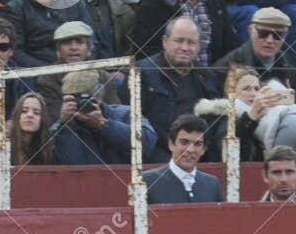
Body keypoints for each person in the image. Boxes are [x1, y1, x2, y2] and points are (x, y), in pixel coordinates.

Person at [140, 15, 222, 160]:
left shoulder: (207, 76)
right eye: (179, 41)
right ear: (165, 42)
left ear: (199, 46)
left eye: (191, 42)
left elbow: (214, 123)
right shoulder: (142, 73)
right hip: (154, 155)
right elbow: (135, 122)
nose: (184, 48)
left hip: (198, 154)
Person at [50, 67, 151, 163]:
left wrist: (104, 125)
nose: (82, 102)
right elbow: (67, 163)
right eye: (76, 97)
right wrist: (65, 127)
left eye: (86, 96)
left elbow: (147, 143)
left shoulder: (124, 114)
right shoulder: (60, 127)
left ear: (99, 94)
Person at [213, 3, 296, 86]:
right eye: (263, 33)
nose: (270, 40)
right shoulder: (226, 68)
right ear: (250, 31)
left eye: (278, 35)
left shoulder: (288, 63)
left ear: (285, 36)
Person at [145, 113, 223, 200]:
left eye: (197, 144)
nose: (190, 150)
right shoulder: (148, 181)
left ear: (203, 149)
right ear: (171, 144)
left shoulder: (212, 184)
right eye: (184, 142)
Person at [6, 91, 55, 165]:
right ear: (17, 116)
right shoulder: (4, 146)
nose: (30, 115)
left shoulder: (48, 149)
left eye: (36, 112)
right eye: (24, 111)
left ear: (42, 119)